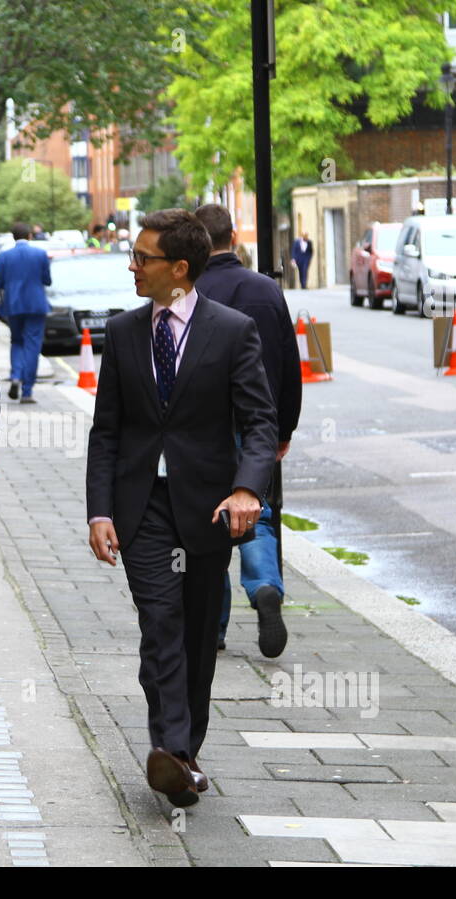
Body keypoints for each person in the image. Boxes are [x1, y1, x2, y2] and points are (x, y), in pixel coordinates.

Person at [86, 209, 277, 808]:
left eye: (143, 257)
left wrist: (249, 489)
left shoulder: (232, 330)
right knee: (160, 623)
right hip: (142, 506)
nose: (132, 265)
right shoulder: (121, 332)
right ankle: (168, 749)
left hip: (207, 507)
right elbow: (106, 432)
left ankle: (184, 750)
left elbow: (259, 420)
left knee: (197, 632)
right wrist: (99, 512)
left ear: (180, 269)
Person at [194, 203, 301, 659]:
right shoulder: (265, 290)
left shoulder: (189, 290)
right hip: (259, 421)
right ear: (233, 238)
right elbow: (290, 364)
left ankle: (212, 627)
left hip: (202, 424)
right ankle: (263, 587)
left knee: (205, 519)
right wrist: (284, 427)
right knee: (254, 509)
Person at [0, 222, 52, 405]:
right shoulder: (40, 254)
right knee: (32, 346)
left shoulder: (4, 256)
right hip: (35, 305)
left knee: (16, 341)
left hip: (13, 305)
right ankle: (27, 391)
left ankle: (16, 375)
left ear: (13, 236)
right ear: (30, 236)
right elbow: (47, 280)